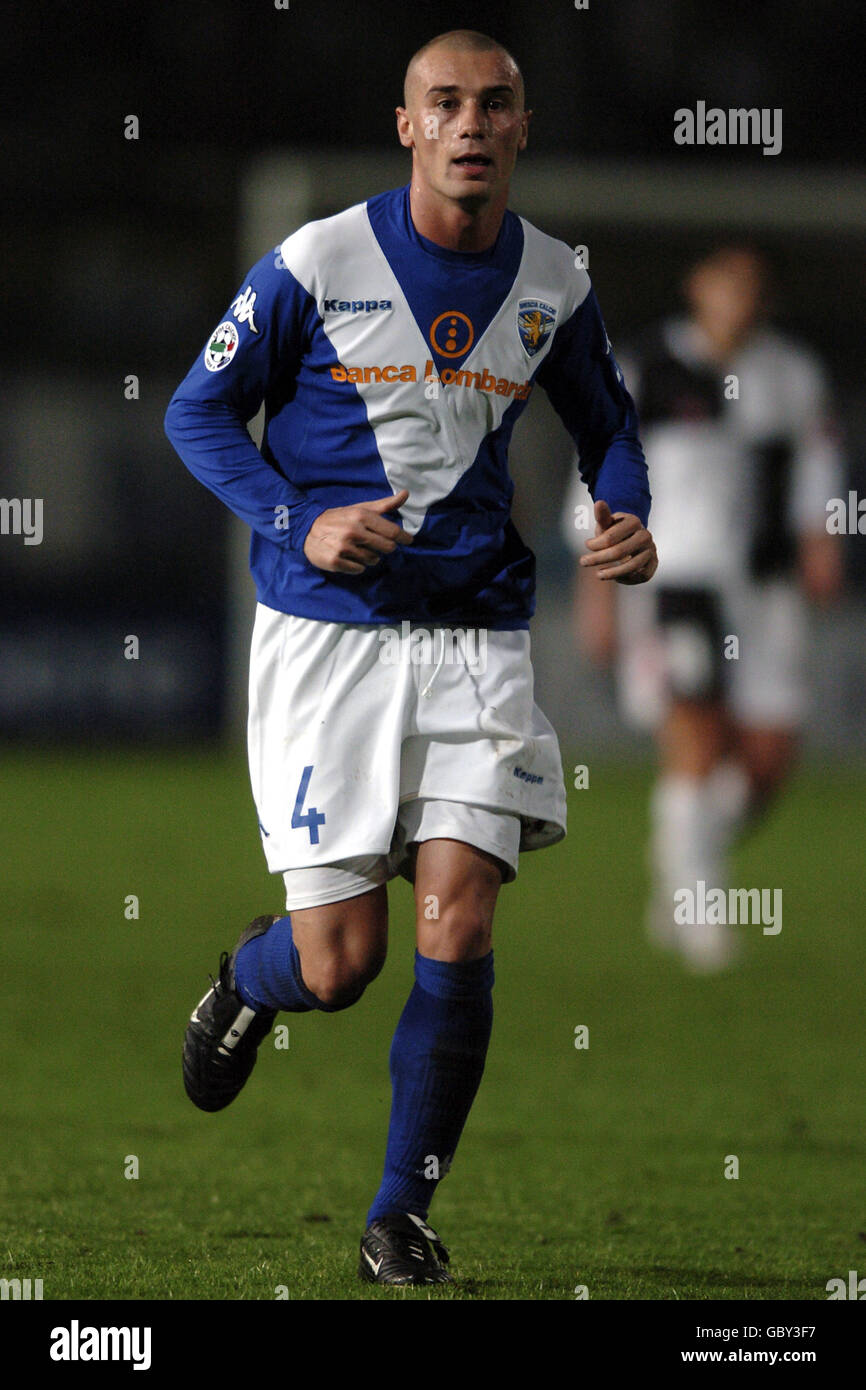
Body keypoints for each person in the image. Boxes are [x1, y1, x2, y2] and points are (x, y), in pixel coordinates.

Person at [164, 28, 656, 1286]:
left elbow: (607, 425)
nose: (470, 123)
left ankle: (399, 1214)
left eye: (494, 103)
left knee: (457, 914)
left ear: (521, 126)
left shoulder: (553, 277)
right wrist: (299, 521)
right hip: (328, 642)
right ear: (407, 127)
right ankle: (250, 980)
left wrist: (625, 508)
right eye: (445, 103)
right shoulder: (317, 260)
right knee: (338, 964)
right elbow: (195, 410)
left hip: (477, 638)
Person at [566, 245, 842, 972]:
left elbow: (817, 468)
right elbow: (599, 477)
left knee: (768, 758)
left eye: (752, 286)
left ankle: (681, 851)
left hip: (766, 586)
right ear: (698, 288)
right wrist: (596, 594)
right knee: (696, 736)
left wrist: (823, 541)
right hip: (674, 580)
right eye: (726, 284)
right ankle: (697, 909)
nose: (738, 298)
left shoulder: (792, 373)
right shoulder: (645, 366)